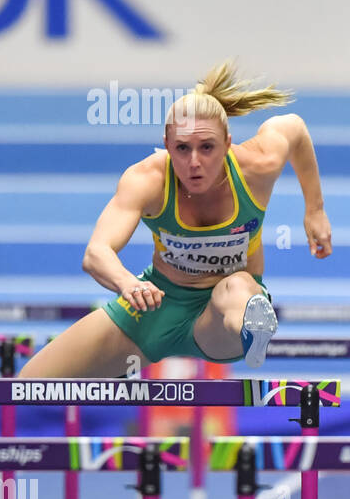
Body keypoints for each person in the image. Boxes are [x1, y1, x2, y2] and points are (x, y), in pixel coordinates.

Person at [20, 61, 332, 379]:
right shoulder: (146, 179)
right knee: (28, 385)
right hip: (155, 308)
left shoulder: (257, 166)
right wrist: (128, 283)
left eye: (207, 148)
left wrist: (315, 209)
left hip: (221, 319)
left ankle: (253, 329)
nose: (194, 163)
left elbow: (293, 127)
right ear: (167, 145)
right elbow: (96, 252)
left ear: (227, 143)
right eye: (182, 149)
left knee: (237, 287)